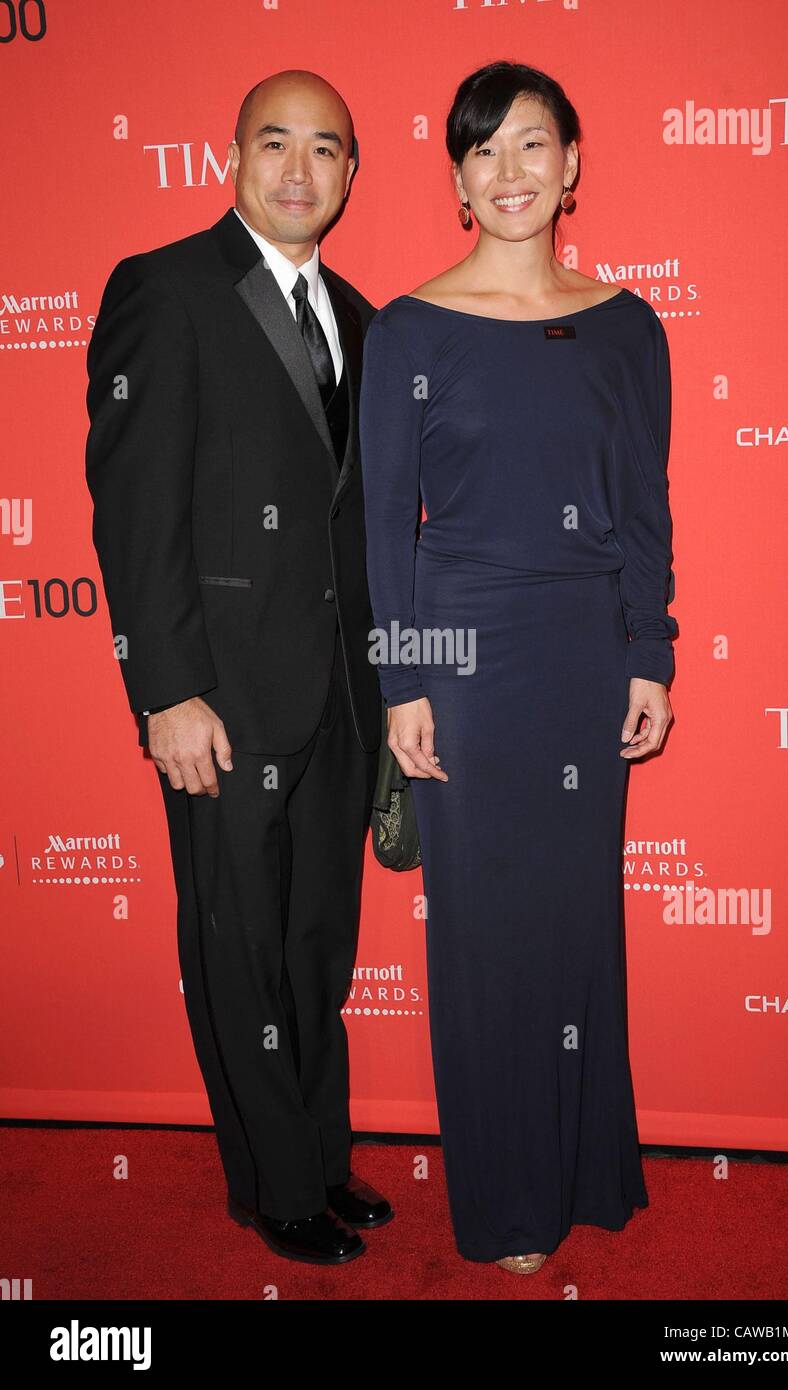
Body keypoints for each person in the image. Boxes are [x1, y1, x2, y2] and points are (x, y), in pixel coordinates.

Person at [359, 61, 679, 1274]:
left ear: (572, 165)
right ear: (455, 179)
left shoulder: (625, 324)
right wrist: (404, 680)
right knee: (485, 939)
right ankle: (505, 1204)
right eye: (483, 152)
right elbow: (387, 523)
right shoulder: (408, 330)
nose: (509, 174)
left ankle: (589, 1169)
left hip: (585, 653)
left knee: (577, 920)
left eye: (531, 146)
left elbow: (641, 505)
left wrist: (646, 651)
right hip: (466, 657)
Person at [85, 69, 392, 1266]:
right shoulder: (165, 290)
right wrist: (164, 689)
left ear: (352, 174)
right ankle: (268, 1185)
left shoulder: (360, 318)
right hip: (216, 699)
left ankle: (319, 1154)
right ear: (232, 156)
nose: (299, 169)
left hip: (335, 700)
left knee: (316, 939)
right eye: (276, 142)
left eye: (326, 149)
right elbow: (133, 503)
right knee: (238, 945)